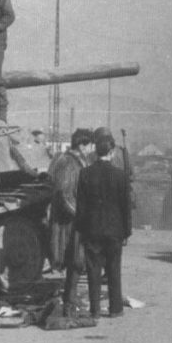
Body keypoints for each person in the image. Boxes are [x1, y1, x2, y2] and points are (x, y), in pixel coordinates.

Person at [75, 128, 132, 319]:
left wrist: (81, 231)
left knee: (93, 270)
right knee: (114, 269)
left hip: (92, 230)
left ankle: (95, 310)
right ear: (112, 151)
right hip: (115, 231)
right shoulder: (121, 176)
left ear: (96, 151)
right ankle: (116, 309)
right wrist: (126, 232)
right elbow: (126, 207)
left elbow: (81, 207)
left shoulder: (85, 174)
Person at [48, 129, 95, 314]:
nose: (91, 149)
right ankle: (69, 302)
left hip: (70, 219)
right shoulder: (70, 163)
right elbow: (65, 194)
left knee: (75, 262)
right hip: (69, 222)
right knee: (75, 260)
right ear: (83, 145)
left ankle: (70, 300)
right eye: (90, 145)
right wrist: (81, 215)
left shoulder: (70, 160)